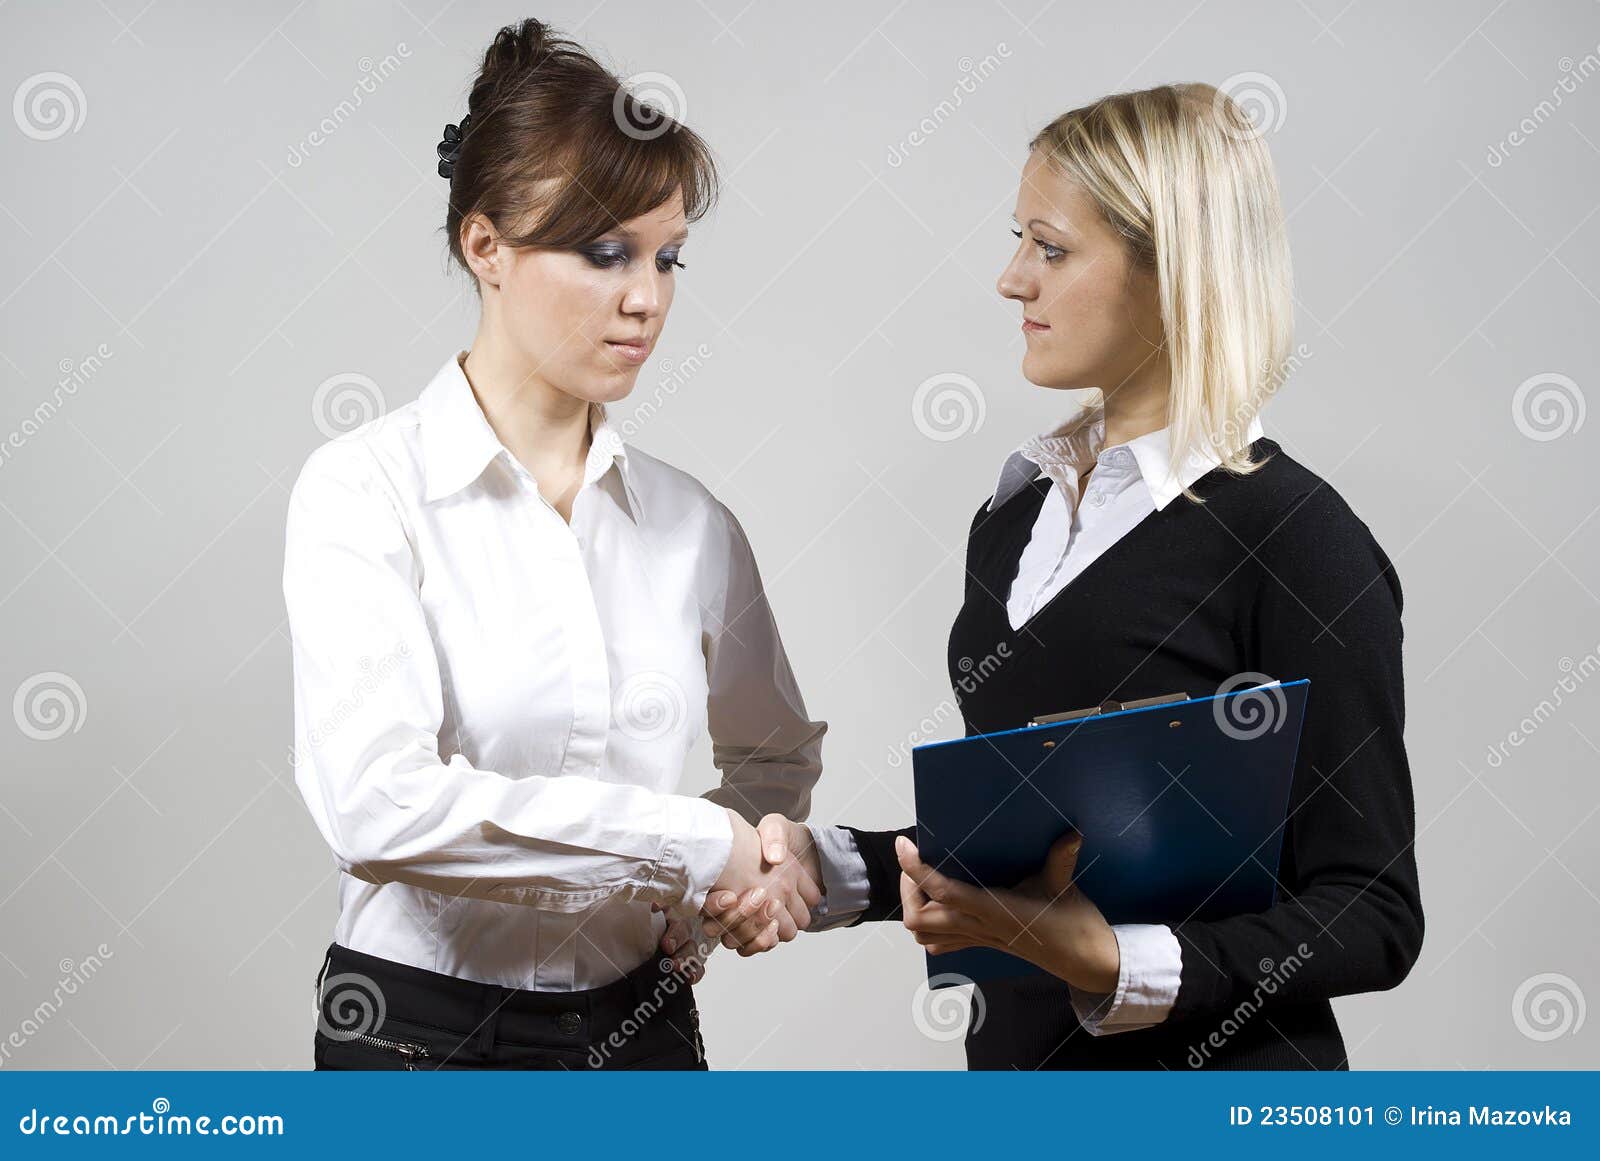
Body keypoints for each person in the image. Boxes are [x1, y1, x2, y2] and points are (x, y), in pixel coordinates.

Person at [702, 82, 1425, 1070]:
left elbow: (1373, 910)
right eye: (1020, 241)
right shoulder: (1016, 517)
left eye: (1049, 248)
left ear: (1173, 269)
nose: (1012, 281)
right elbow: (1033, 835)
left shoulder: (1295, 535)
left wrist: (1116, 963)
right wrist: (827, 868)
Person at [285, 18, 825, 1071]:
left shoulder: (691, 523)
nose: (647, 297)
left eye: (667, 257)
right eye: (605, 253)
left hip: (641, 1033)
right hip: (418, 1039)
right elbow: (377, 806)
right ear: (484, 245)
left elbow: (774, 757)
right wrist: (690, 845)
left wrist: (715, 888)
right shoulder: (365, 490)